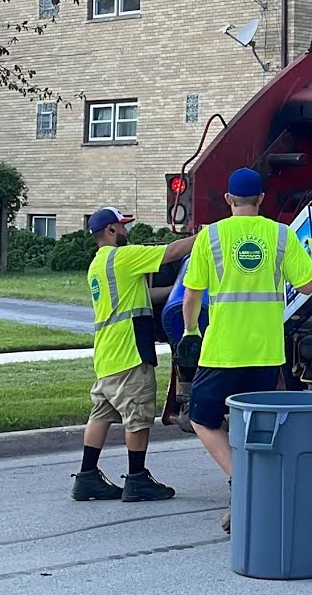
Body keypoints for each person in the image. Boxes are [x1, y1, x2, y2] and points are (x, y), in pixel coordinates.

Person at [178, 167, 312, 533]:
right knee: (255, 425)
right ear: (262, 199)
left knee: (203, 418)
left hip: (222, 351)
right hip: (266, 353)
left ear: (229, 199)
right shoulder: (279, 235)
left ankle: (241, 482)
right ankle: (256, 489)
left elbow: (192, 295)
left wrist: (189, 331)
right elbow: (309, 287)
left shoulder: (210, 237)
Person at [72, 207, 197, 502]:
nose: (128, 231)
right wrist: (206, 235)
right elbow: (171, 252)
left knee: (100, 414)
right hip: (130, 353)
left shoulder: (98, 265)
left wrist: (183, 290)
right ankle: (138, 480)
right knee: (137, 417)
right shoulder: (123, 257)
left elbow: (143, 296)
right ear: (111, 231)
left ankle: (86, 477)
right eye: (123, 226)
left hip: (107, 354)